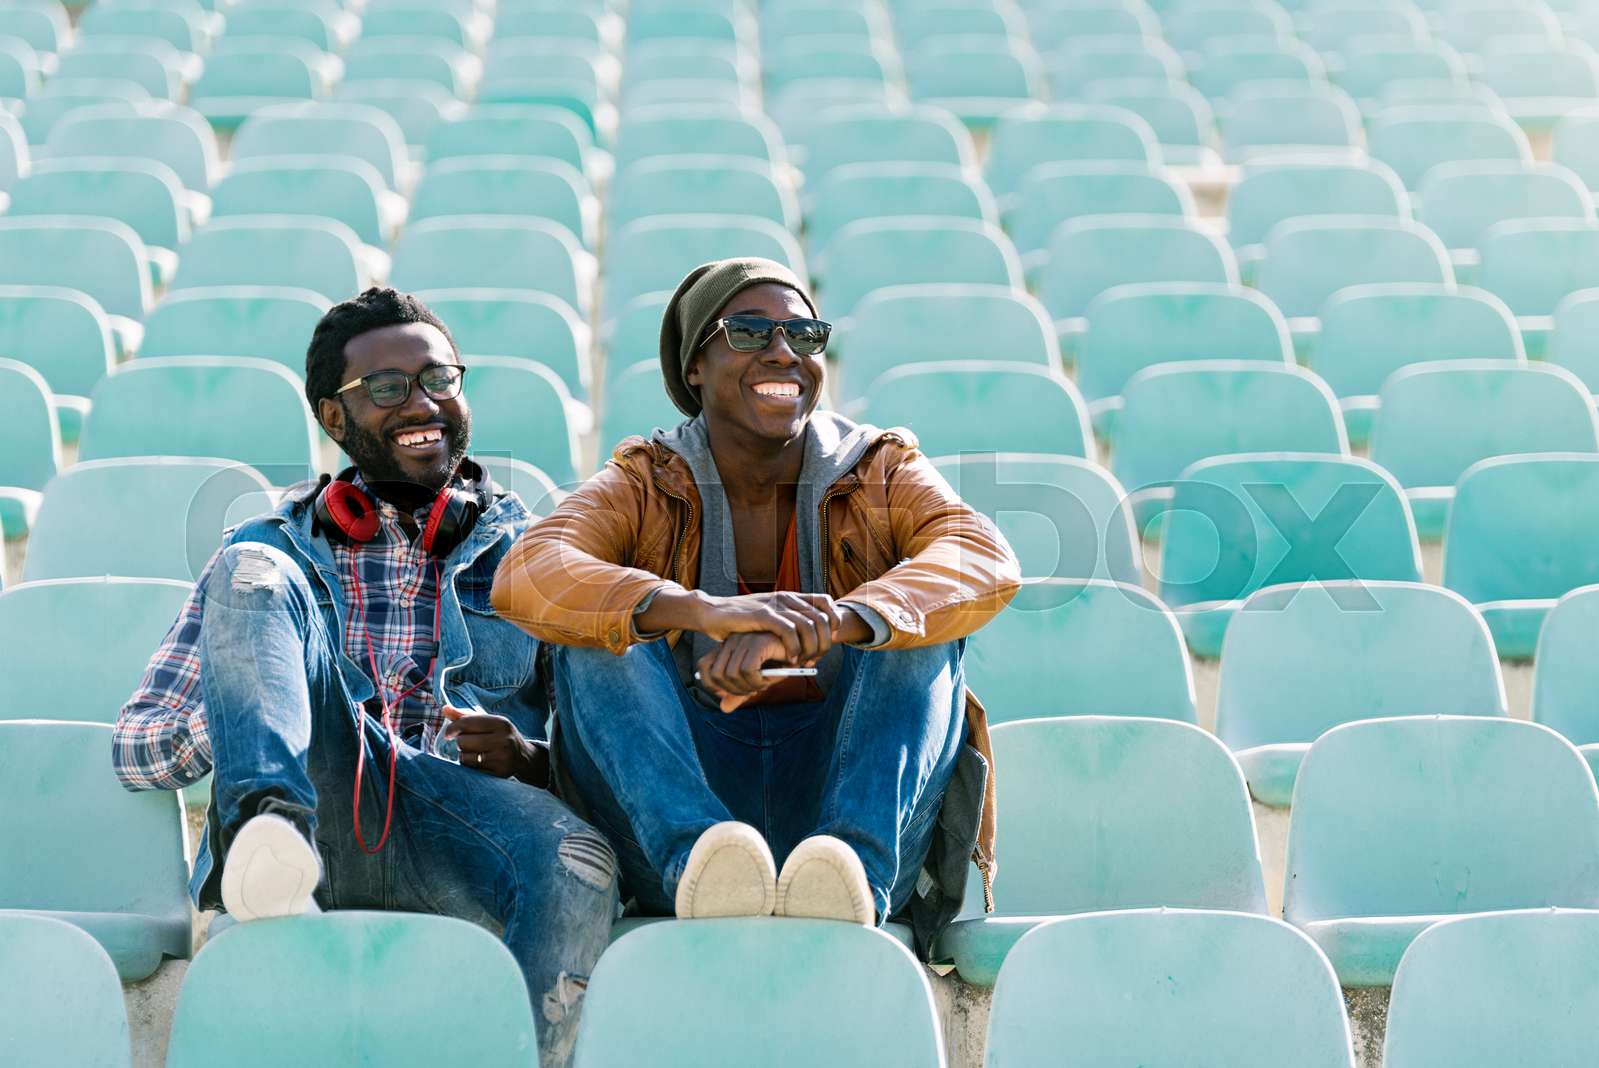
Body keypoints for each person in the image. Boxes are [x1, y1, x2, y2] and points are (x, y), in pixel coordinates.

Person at [113, 288, 617, 1066]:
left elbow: (601, 745)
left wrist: (528, 759)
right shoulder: (268, 550)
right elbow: (139, 746)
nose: (422, 403)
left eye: (440, 379)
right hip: (317, 811)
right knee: (253, 572)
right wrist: (261, 700)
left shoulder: (537, 552)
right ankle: (266, 826)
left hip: (466, 826)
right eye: (387, 389)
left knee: (581, 864)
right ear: (333, 418)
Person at [491, 259, 1019, 956]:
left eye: (804, 334)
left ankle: (848, 866)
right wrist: (698, 612)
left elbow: (981, 555)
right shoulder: (645, 479)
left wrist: (834, 620)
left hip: (846, 811)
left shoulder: (879, 468)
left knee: (914, 627)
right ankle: (702, 856)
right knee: (599, 629)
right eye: (748, 333)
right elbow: (528, 571)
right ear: (694, 369)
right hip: (672, 832)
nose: (783, 353)